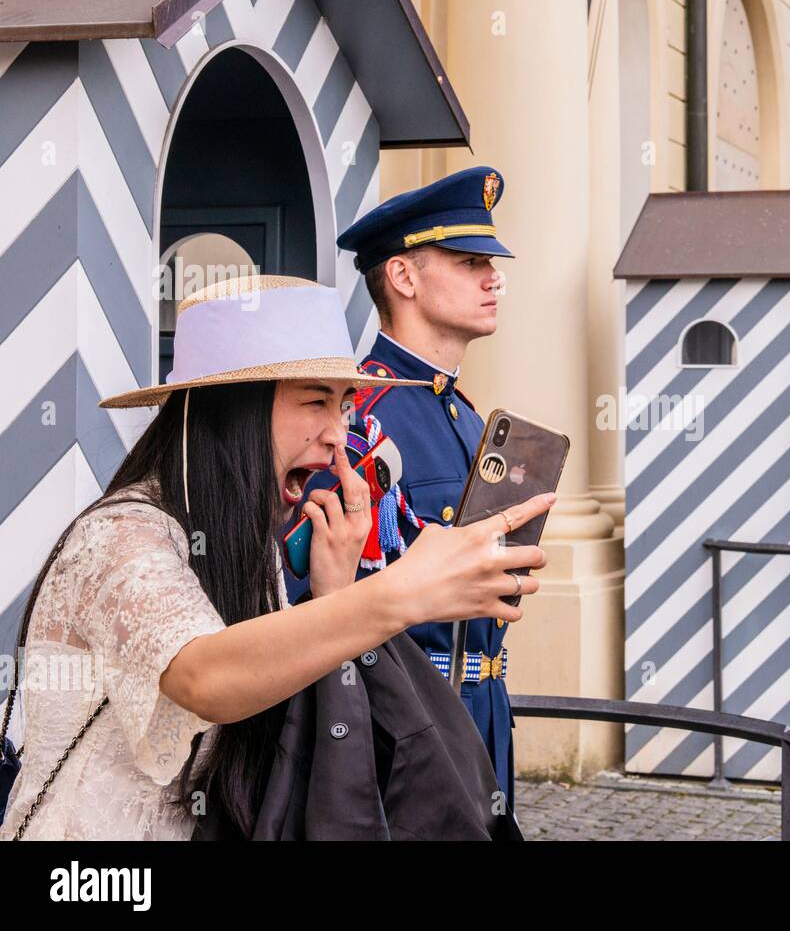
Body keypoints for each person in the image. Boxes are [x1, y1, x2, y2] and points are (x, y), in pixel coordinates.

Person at [0, 275, 552, 840]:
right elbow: (203, 678)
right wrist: (399, 594)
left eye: (345, 405)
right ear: (227, 412)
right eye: (315, 401)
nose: (340, 435)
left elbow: (266, 702)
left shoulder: (251, 543)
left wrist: (334, 591)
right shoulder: (121, 533)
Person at [332, 166, 520, 806]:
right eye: (470, 261)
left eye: (491, 262)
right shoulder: (360, 414)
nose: (493, 276)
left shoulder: (466, 414)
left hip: (485, 707)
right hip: (404, 718)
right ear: (404, 277)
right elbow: (332, 594)